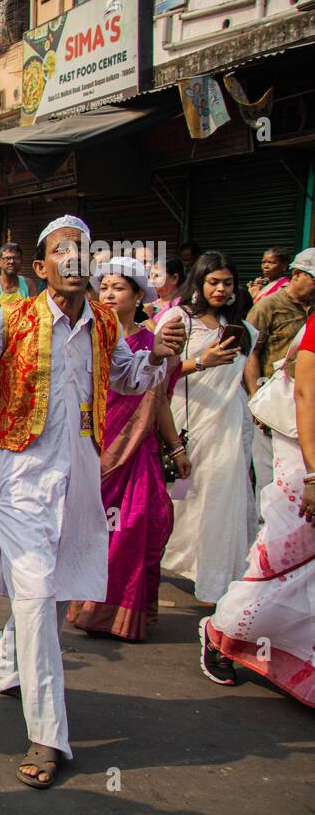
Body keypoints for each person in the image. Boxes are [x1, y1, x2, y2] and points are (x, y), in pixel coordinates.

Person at [0, 215, 183, 789]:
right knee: (40, 586)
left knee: (46, 581)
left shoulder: (105, 327)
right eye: (61, 252)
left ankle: (3, 667)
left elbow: (130, 382)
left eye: (82, 251)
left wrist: (159, 355)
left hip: (77, 474)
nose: (73, 260)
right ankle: (48, 733)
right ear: (41, 269)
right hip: (15, 476)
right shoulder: (10, 316)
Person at [199, 309, 315, 707]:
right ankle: (221, 632)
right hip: (303, 449)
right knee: (285, 556)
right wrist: (314, 476)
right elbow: (305, 394)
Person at [68, 258, 187, 641]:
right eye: (103, 288)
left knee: (133, 527)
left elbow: (159, 401)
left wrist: (177, 448)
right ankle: (86, 607)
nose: (107, 294)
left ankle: (121, 614)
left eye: (118, 288)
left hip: (136, 456)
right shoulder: (87, 337)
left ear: (139, 296)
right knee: (92, 530)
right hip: (93, 448)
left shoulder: (154, 345)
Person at [158, 251, 256, 604]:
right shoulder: (177, 319)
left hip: (228, 425)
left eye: (227, 282)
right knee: (180, 499)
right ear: (198, 282)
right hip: (186, 423)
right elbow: (156, 372)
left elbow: (247, 375)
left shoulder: (243, 328)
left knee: (220, 498)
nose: (220, 289)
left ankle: (214, 578)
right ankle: (164, 560)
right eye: (213, 281)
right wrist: (202, 361)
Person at [244, 248, 315, 495]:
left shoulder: (313, 308)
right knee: (270, 479)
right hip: (273, 402)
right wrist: (254, 394)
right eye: (313, 279)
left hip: (304, 402)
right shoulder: (268, 306)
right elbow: (250, 351)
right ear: (296, 274)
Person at [147, 257, 186, 322]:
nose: (151, 281)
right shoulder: (152, 303)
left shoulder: (181, 307)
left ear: (174, 278)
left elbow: (161, 332)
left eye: (157, 275)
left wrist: (147, 317)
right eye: (150, 276)